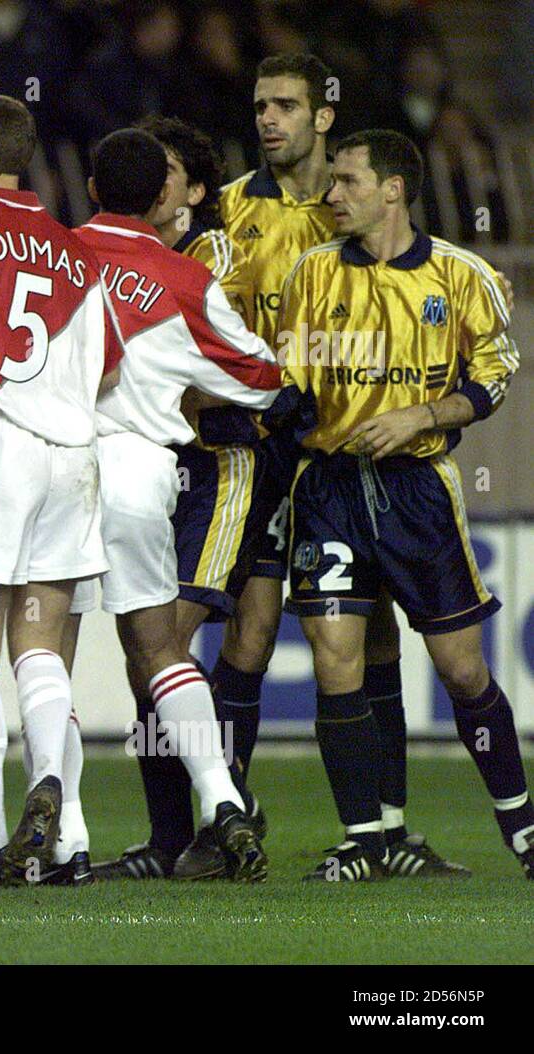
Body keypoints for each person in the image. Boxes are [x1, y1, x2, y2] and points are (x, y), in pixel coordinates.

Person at [267, 129, 532, 881]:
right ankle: (367, 840)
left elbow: (495, 379)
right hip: (328, 488)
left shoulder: (463, 276)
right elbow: (289, 384)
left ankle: (521, 824)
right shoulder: (312, 275)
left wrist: (420, 416)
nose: (333, 194)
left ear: (393, 189)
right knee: (336, 658)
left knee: (460, 670)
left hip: (417, 490)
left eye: (348, 181)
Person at [70, 129, 280, 881]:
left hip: (80, 463)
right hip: (147, 469)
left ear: (92, 186)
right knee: (157, 653)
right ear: (161, 193)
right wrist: (184, 379)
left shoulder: (51, 253)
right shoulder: (181, 279)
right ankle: (212, 812)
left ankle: (64, 837)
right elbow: (262, 376)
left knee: (50, 651)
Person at [0, 95, 122, 887]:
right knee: (40, 648)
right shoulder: (77, 253)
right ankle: (68, 835)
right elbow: (107, 366)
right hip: (73, 456)